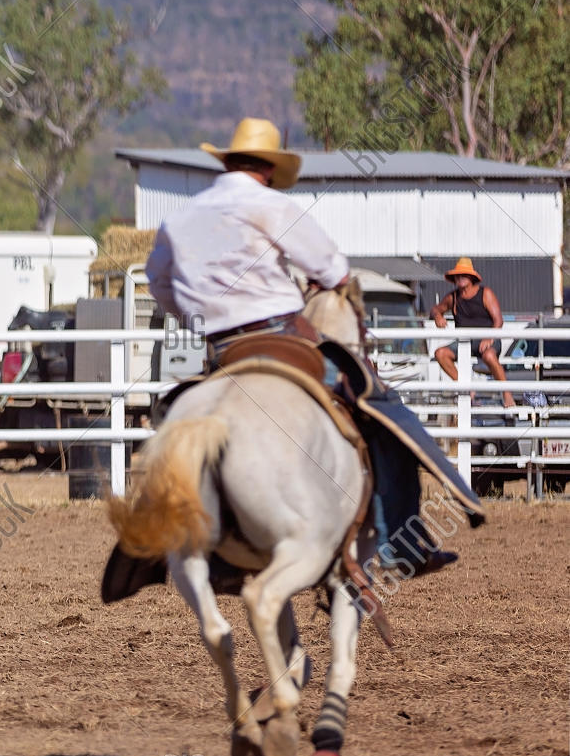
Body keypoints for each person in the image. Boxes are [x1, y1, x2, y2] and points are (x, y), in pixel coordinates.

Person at [143, 117, 482, 576]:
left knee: (174, 415)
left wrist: (196, 317)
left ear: (228, 162)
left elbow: (159, 283)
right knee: (380, 408)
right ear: (268, 169)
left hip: (220, 348)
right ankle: (398, 542)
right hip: (280, 336)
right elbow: (333, 270)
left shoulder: (181, 216)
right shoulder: (272, 206)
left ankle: (159, 546)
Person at [429, 257, 515, 409]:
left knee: (489, 355)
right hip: (464, 341)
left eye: (464, 275)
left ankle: (506, 394)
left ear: (471, 278)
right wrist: (437, 316)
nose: (460, 278)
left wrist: (489, 337)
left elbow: (498, 320)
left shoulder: (485, 293)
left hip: (488, 339)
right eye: (457, 276)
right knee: (440, 353)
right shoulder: (452, 297)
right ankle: (466, 389)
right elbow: (436, 309)